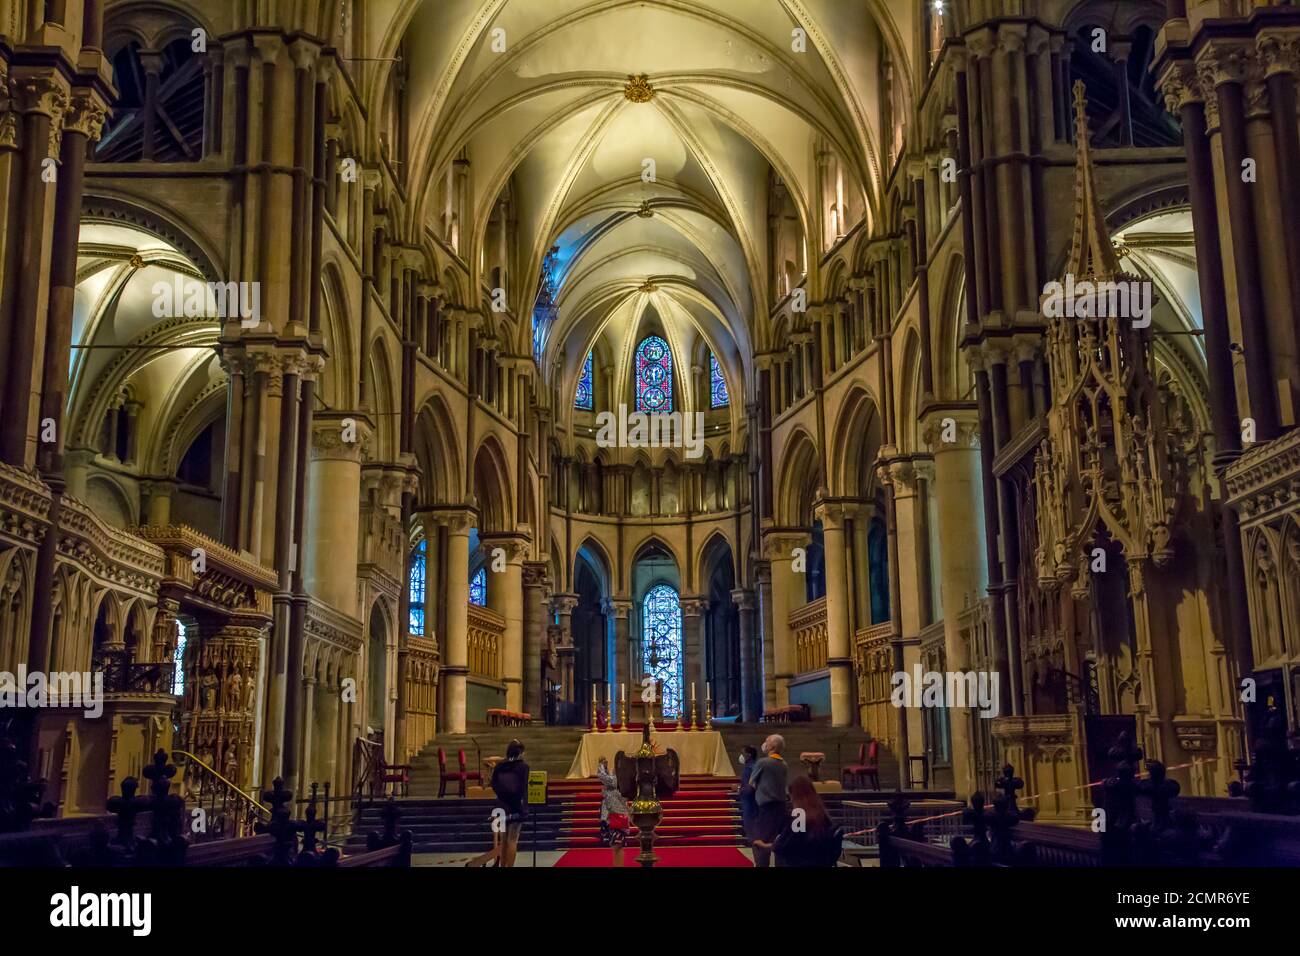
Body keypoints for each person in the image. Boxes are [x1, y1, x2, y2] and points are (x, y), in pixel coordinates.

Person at [753, 775, 842, 867]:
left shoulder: (799, 819)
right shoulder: (823, 816)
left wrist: (764, 845)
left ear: (795, 796)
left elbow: (783, 847)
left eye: (791, 796)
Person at [467, 739, 529, 867]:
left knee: (504, 840)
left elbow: (494, 784)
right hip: (516, 806)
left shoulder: (500, 767)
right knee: (513, 840)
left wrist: (502, 795)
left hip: (502, 805)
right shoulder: (523, 767)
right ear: (520, 753)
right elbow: (523, 787)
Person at [748, 734, 789, 867]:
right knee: (779, 842)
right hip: (782, 807)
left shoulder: (763, 762)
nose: (764, 743)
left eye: (767, 741)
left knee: (760, 844)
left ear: (773, 746)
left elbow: (751, 783)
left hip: (766, 809)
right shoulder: (784, 764)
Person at [596, 756, 630, 866]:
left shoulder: (617, 781)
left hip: (617, 818)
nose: (614, 769)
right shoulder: (621, 781)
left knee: (617, 847)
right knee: (616, 848)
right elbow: (607, 779)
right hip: (616, 818)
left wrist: (601, 765)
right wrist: (604, 767)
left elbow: (603, 777)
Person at [737, 745, 759, 843]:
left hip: (748, 799)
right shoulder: (755, 766)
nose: (741, 756)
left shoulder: (749, 768)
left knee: (749, 819)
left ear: (748, 755)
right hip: (753, 798)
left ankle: (750, 840)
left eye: (743, 753)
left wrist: (738, 789)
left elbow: (749, 786)